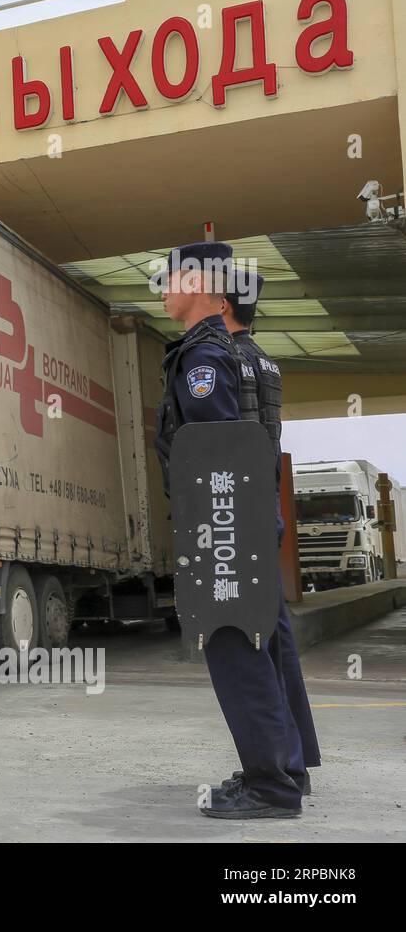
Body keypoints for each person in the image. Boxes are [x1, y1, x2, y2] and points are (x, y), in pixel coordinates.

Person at [153, 242, 305, 819]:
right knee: (264, 645)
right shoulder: (223, 349)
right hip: (244, 519)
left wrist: (213, 535)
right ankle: (282, 769)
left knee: (236, 644)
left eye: (173, 278)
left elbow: (218, 453)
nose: (164, 288)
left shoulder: (204, 356)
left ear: (202, 286)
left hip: (226, 523)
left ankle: (271, 786)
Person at [221, 270, 322, 792]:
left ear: (221, 305)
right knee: (278, 642)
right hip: (267, 510)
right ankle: (295, 763)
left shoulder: (225, 361)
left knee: (248, 643)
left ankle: (277, 771)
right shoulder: (266, 362)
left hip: (241, 512)